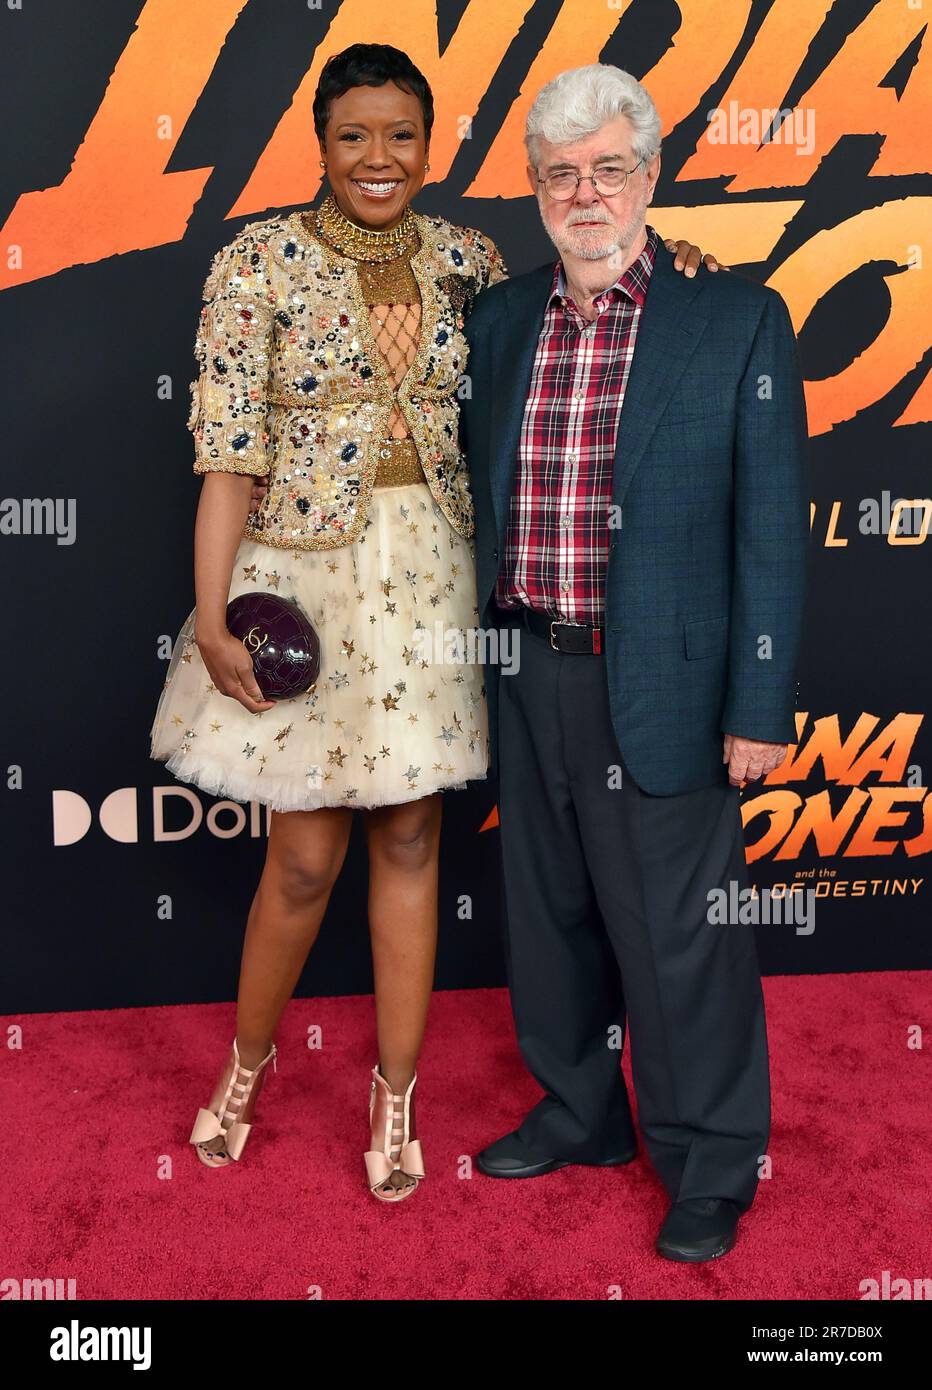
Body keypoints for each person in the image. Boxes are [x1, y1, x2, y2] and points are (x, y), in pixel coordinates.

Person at [151, 43, 716, 1204]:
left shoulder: (471, 261)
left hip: (433, 590)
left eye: (399, 134)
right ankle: (246, 1070)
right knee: (303, 856)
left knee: (410, 841)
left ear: (431, 142)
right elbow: (224, 457)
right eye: (353, 134)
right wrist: (210, 617)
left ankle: (395, 1096)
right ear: (319, 140)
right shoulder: (256, 259)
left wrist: (687, 264)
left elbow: (593, 292)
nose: (377, 157)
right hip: (301, 585)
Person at [461, 63, 809, 1259]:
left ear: (650, 178)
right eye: (559, 174)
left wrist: (756, 702)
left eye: (609, 168)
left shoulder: (734, 316)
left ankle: (711, 1156)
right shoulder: (499, 319)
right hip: (528, 668)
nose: (585, 193)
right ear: (533, 188)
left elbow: (769, 531)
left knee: (678, 933)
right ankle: (581, 1110)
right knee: (547, 912)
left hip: (660, 677)